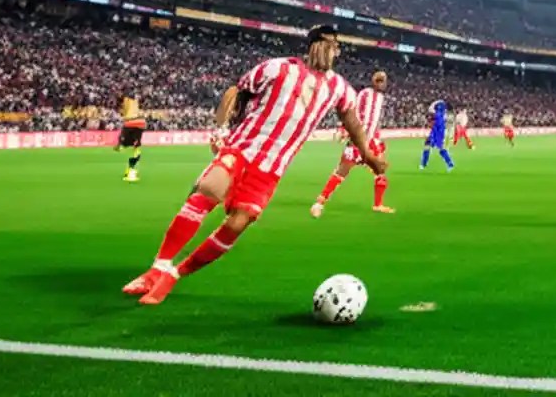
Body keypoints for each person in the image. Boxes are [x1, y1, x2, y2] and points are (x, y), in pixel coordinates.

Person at [122, 25, 388, 305]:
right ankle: (157, 268)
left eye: (336, 46)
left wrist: (369, 157)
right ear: (313, 45)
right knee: (210, 189)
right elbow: (238, 90)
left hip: (272, 168)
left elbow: (354, 124)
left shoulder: (340, 88)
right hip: (242, 149)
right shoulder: (277, 68)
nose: (333, 50)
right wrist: (223, 128)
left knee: (236, 224)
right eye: (328, 43)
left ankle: (174, 275)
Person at [311, 70, 393, 217]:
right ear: (373, 81)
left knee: (380, 171)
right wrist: (345, 130)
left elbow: (374, 120)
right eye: (378, 80)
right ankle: (319, 202)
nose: (381, 83)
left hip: (372, 141)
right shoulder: (364, 94)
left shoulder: (380, 97)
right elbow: (351, 112)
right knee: (342, 171)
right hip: (358, 140)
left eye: (383, 81)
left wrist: (377, 138)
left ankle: (378, 205)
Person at [115, 91, 146, 182]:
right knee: (136, 147)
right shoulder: (135, 101)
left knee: (124, 145)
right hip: (140, 122)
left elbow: (121, 104)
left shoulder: (125, 101)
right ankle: (132, 168)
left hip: (130, 122)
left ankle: (122, 144)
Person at [421, 99, 455, 171]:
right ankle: (450, 163)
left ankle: (424, 164)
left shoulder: (438, 113)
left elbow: (433, 118)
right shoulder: (442, 113)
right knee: (431, 145)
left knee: (437, 148)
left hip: (438, 132)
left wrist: (430, 123)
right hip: (438, 131)